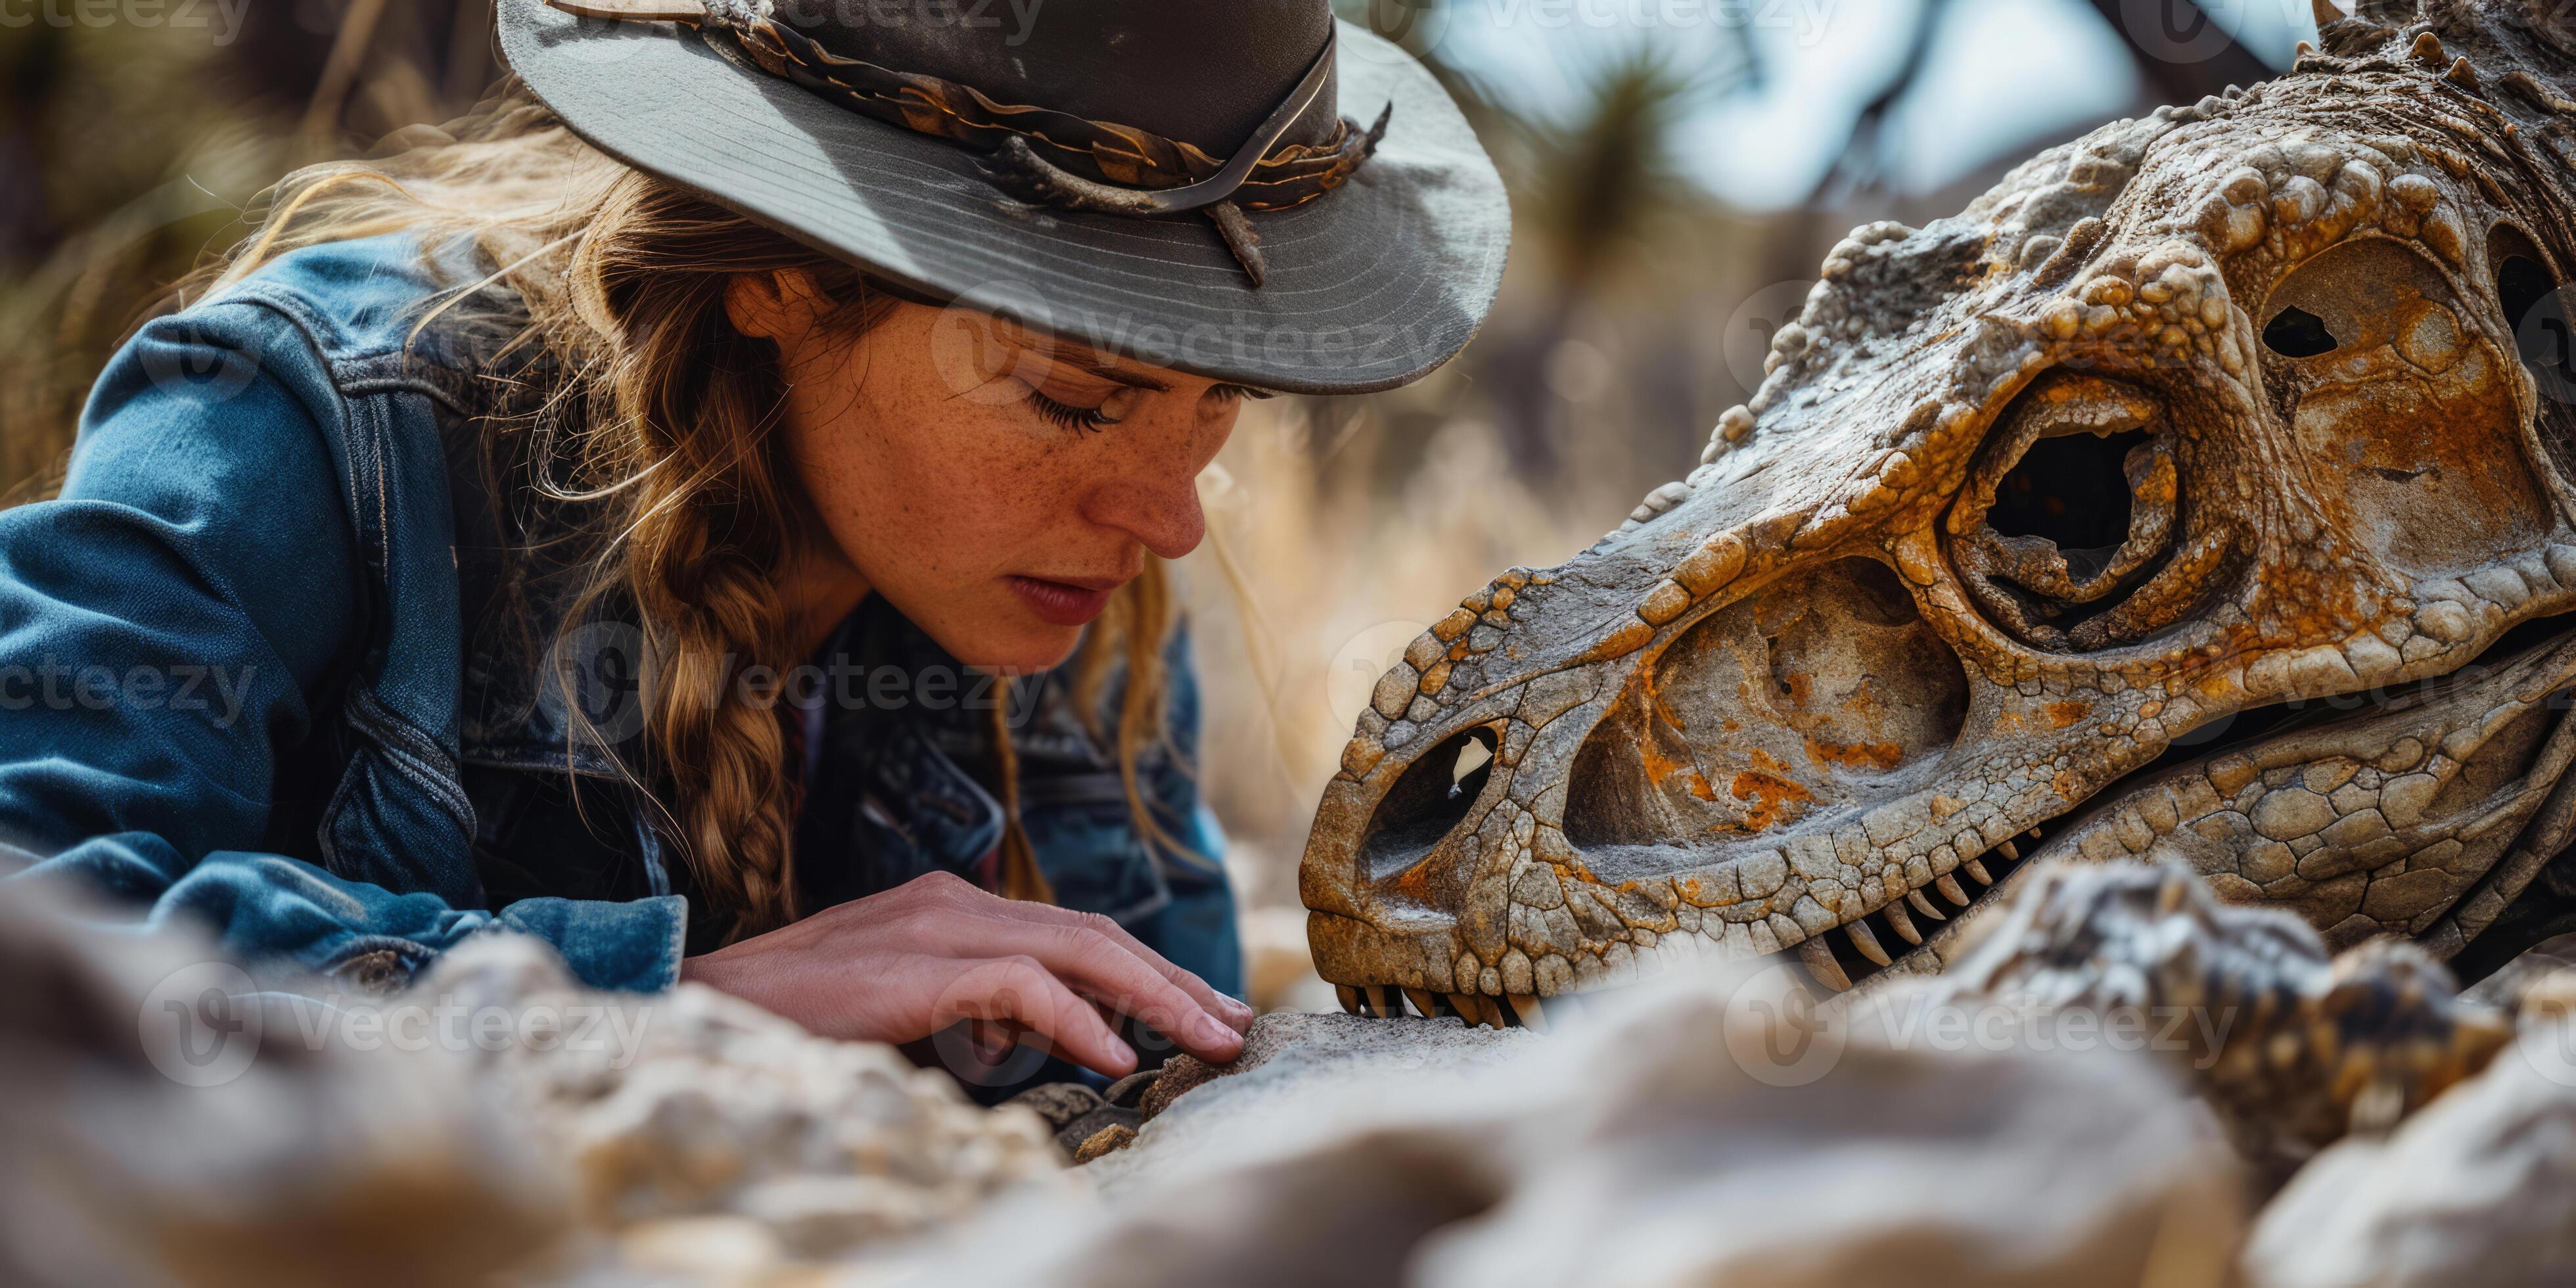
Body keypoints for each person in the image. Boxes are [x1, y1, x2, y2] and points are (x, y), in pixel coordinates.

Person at [0, 0, 1506, 1086]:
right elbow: (37, 919)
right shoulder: (304, 420)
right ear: (781, 273)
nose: (1170, 517)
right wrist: (668, 994)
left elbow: (1157, 1098)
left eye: (1218, 398)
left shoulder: (1057, 596)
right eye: (1072, 397)